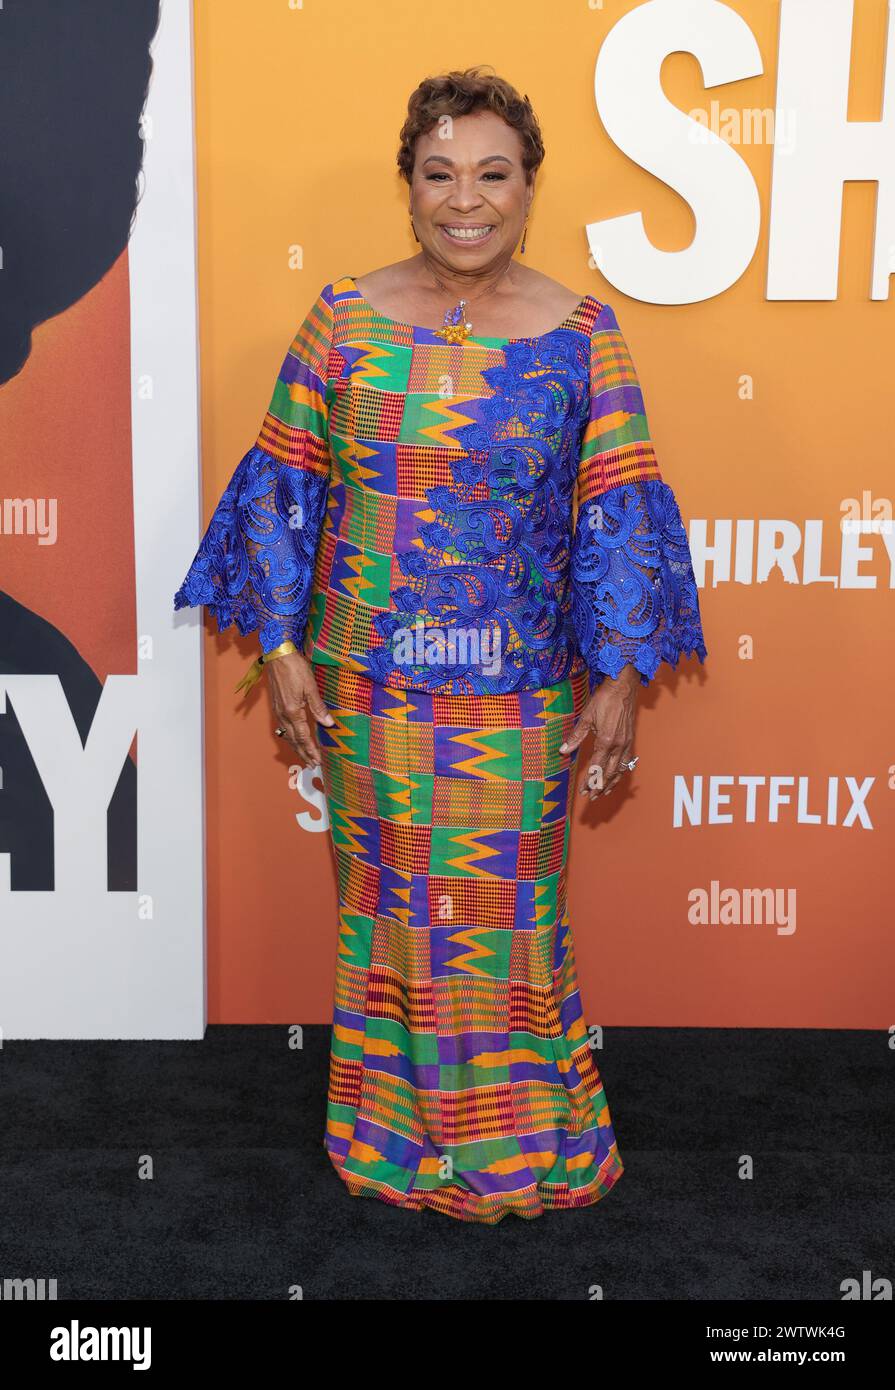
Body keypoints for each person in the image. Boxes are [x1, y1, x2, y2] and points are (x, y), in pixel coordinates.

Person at [174, 66, 707, 1223]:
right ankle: (395, 1139)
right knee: (390, 912)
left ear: (529, 186)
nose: (466, 200)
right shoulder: (343, 319)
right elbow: (279, 488)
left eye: (492, 174)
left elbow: (615, 506)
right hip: (371, 693)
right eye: (439, 174)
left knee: (512, 920)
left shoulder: (585, 334)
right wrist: (279, 646)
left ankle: (520, 1144)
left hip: (516, 703)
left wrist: (615, 676)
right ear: (408, 185)